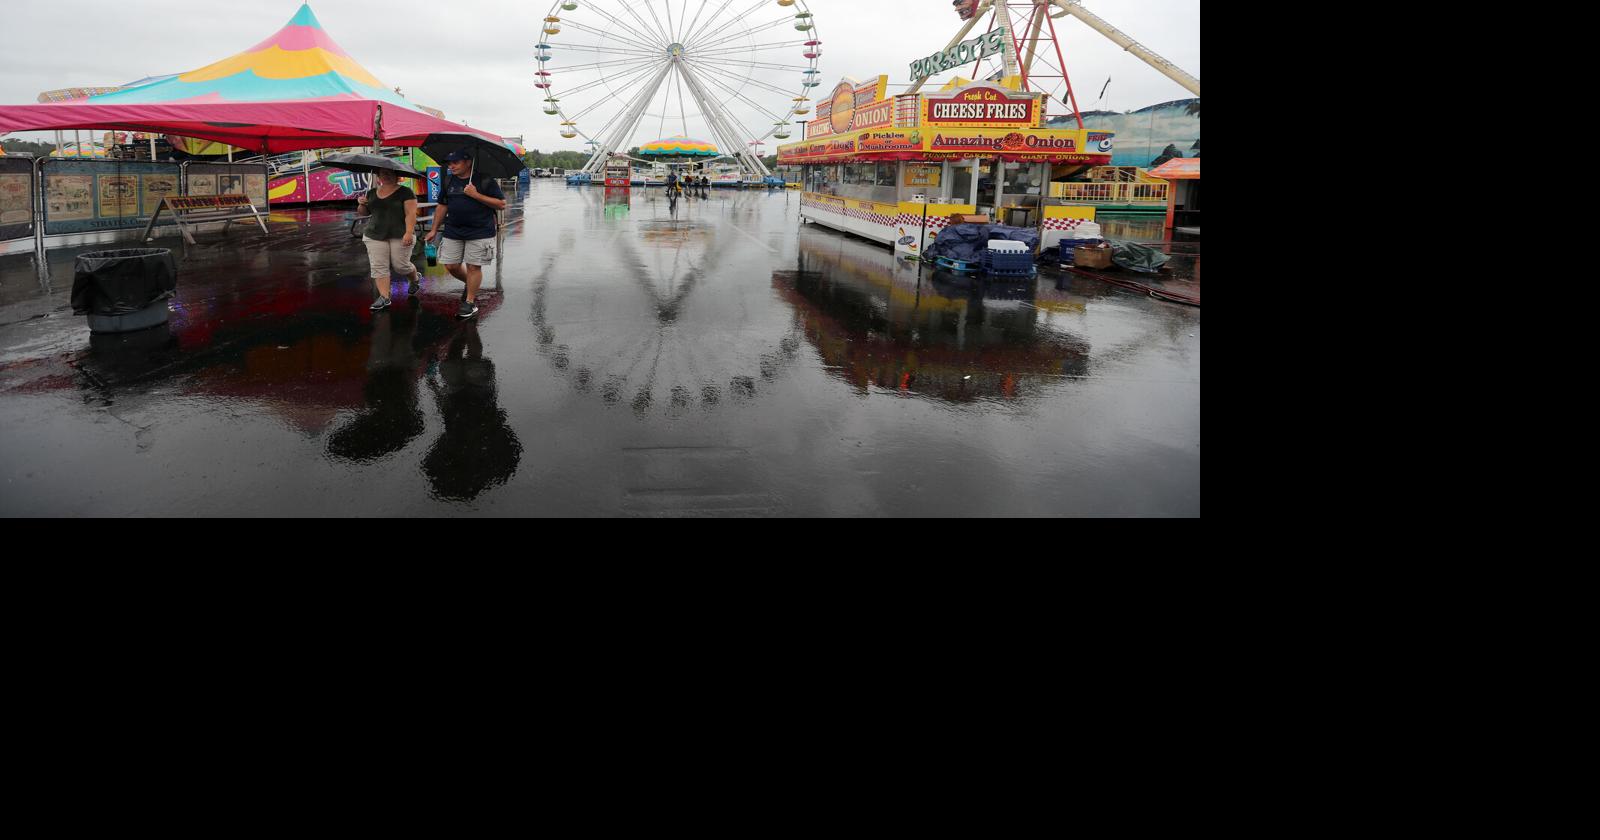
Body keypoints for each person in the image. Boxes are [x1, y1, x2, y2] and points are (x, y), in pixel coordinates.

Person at [425, 150, 506, 320]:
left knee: (473, 267)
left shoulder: (484, 180)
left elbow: (500, 204)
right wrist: (433, 229)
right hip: (453, 230)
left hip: (480, 231)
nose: (451, 166)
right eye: (449, 162)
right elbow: (442, 206)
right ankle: (470, 285)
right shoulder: (448, 181)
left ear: (468, 162)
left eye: (456, 162)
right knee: (451, 266)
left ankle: (469, 302)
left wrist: (475, 194)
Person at [356, 170, 420, 311]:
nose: (386, 176)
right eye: (383, 174)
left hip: (400, 234)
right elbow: (364, 213)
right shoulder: (371, 192)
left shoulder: (406, 192)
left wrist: (409, 232)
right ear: (378, 176)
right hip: (375, 234)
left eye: (390, 173)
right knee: (379, 266)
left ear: (397, 176)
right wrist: (361, 204)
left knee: (401, 266)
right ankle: (384, 297)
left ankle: (415, 278)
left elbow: (410, 214)